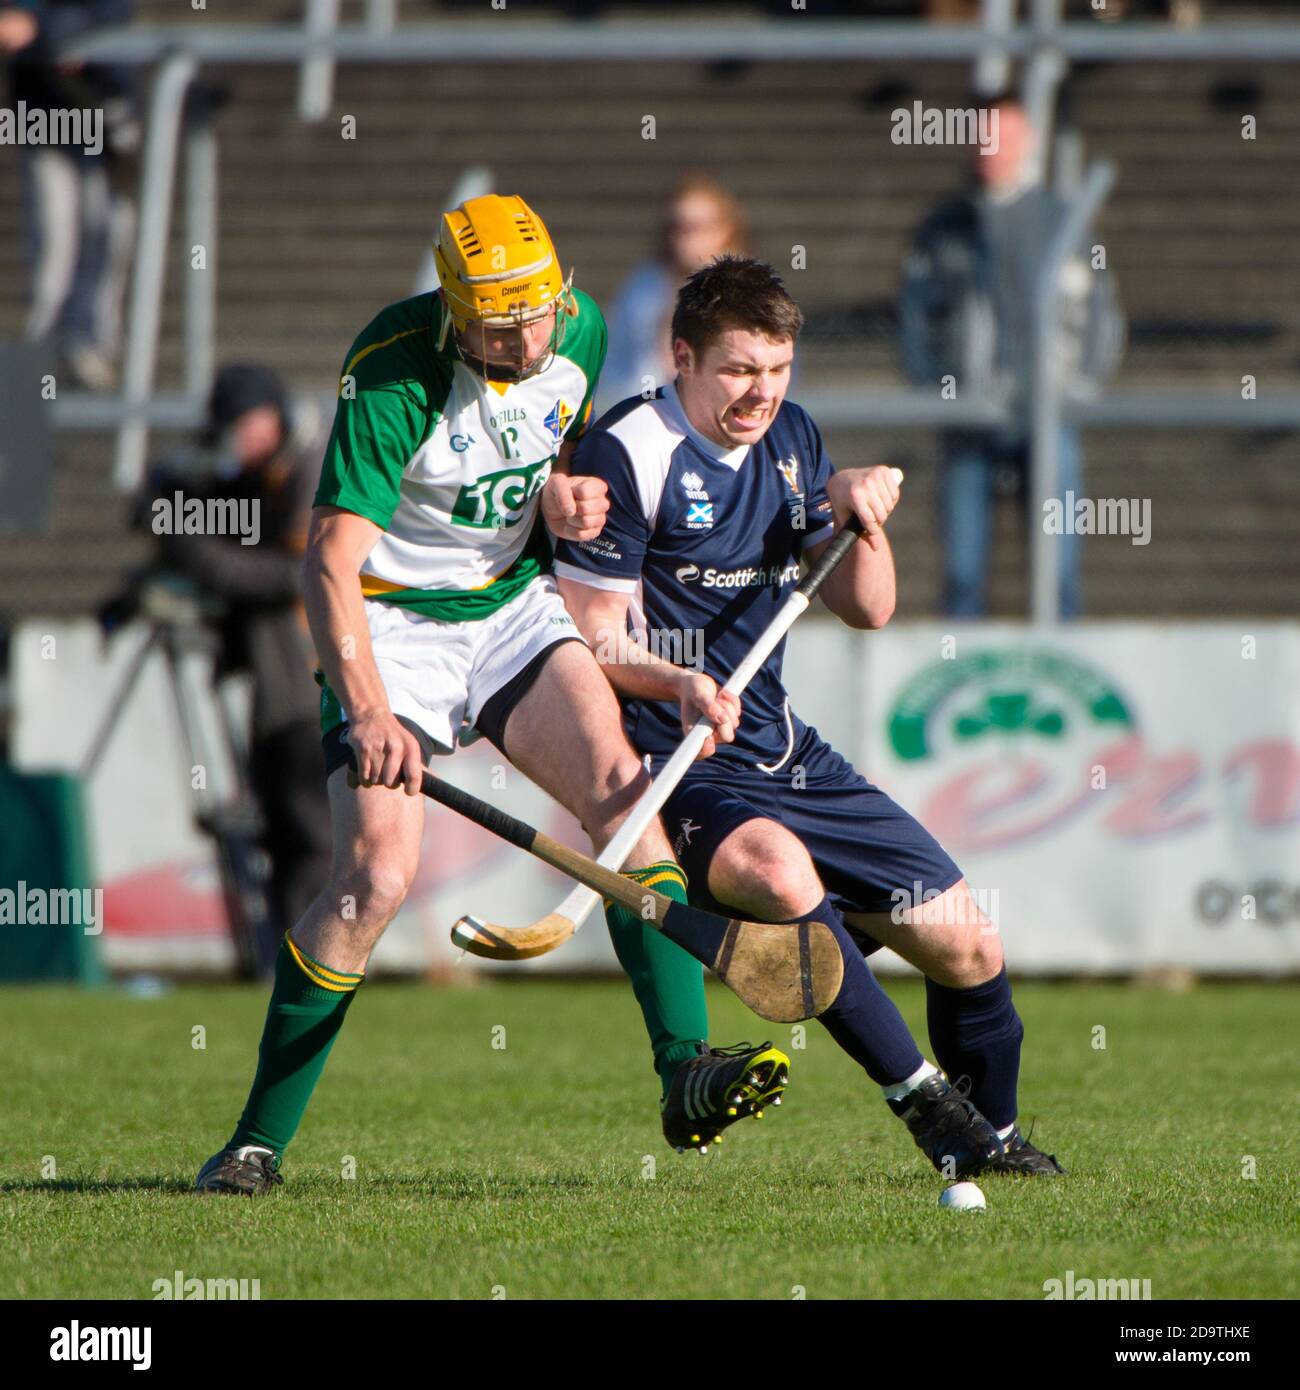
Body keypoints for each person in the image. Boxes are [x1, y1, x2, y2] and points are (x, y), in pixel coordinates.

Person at [192, 195, 781, 1196]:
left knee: (625, 797)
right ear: (453, 312)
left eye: (534, 318)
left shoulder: (581, 327)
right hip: (389, 621)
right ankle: (253, 1143)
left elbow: (547, 448)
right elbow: (328, 563)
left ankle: (687, 1068)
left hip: (506, 606)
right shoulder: (391, 371)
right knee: (374, 876)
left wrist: (560, 494)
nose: (520, 340)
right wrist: (370, 705)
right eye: (494, 326)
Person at [554, 255, 1063, 1176]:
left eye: (779, 370)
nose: (761, 392)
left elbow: (868, 608)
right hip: (679, 761)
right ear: (683, 357)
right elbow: (593, 637)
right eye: (740, 370)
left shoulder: (793, 437)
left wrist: (862, 519)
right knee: (784, 877)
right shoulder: (626, 452)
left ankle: (992, 1142)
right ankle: (925, 1108)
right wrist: (682, 684)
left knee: (967, 941)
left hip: (786, 751)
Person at [898, 98, 1124, 618]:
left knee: (1058, 573)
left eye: (1003, 136)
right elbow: (915, 312)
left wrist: (1078, 386)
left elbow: (1097, 310)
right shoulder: (944, 226)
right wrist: (936, 390)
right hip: (968, 420)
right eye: (980, 136)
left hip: (1048, 417)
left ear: (1029, 144)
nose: (989, 148)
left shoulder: (1060, 221)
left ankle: (1057, 668)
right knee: (962, 573)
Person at [137, 363, 331, 947]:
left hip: (316, 680)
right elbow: (170, 505)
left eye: (249, 423)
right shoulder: (256, 476)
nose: (239, 439)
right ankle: (283, 961)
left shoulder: (310, 469)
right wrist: (173, 504)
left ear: (279, 416)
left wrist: (198, 554)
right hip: (278, 688)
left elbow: (299, 573)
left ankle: (313, 964)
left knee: (311, 832)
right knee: (278, 826)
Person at [2, 0, 140, 390]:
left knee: (105, 228)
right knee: (53, 233)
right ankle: (47, 343)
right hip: (43, 111)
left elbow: (114, 11)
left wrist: (42, 28)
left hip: (102, 106)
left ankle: (91, 342)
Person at [596, 174, 747, 415]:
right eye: (675, 227)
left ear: (724, 229)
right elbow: (620, 362)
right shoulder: (644, 285)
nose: (683, 238)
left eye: (695, 227)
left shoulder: (748, 287)